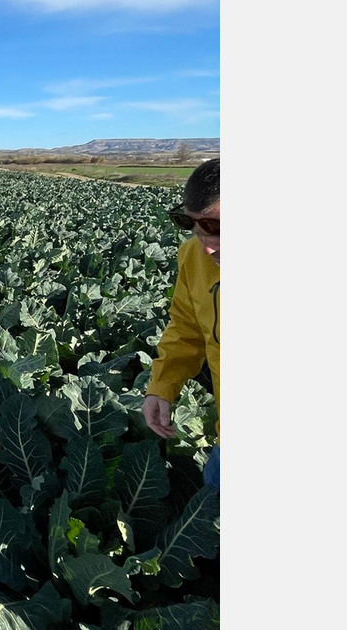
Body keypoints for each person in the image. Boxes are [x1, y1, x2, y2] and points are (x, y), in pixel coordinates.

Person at [142, 158, 220, 489]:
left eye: (217, 227)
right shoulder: (193, 256)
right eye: (193, 227)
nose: (207, 247)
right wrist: (162, 386)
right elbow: (186, 329)